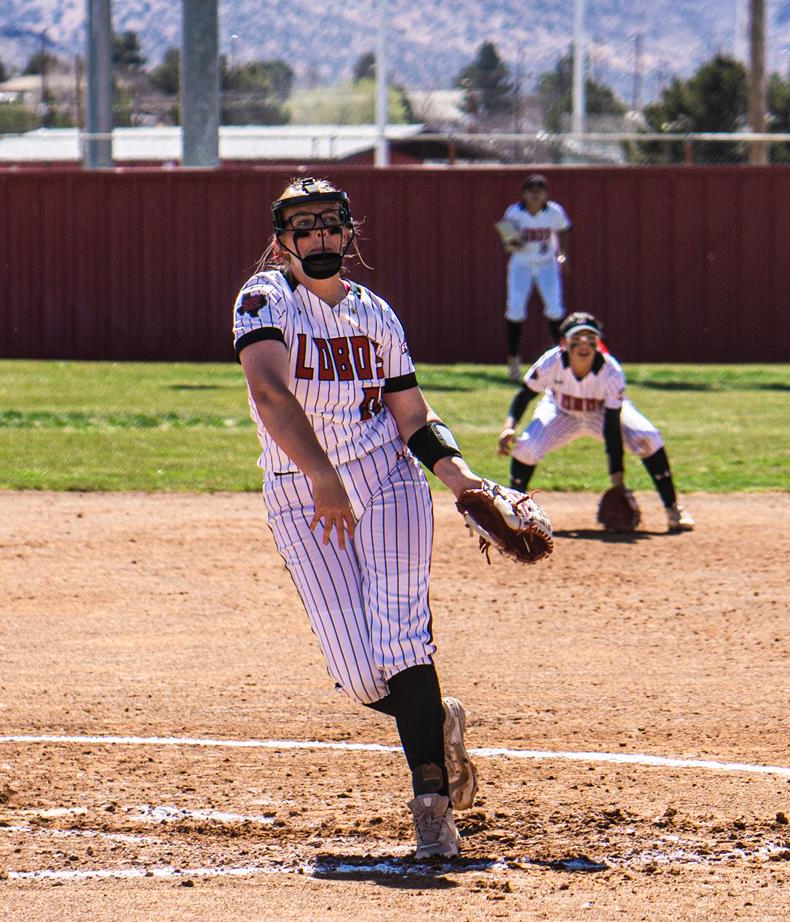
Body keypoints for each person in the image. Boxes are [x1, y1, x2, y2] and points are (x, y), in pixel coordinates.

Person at [233, 176, 488, 860]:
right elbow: (268, 389)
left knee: (404, 635)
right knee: (360, 675)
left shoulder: (375, 313)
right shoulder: (265, 299)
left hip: (385, 480)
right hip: (301, 489)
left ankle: (431, 806)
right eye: (303, 227)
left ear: (348, 233)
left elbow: (412, 413)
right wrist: (322, 475)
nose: (318, 238)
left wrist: (462, 482)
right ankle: (435, 720)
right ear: (282, 238)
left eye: (329, 225)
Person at [497, 311, 696, 534]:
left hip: (601, 414)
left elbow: (612, 427)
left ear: (597, 342)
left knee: (647, 436)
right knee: (526, 447)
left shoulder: (611, 371)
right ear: (564, 343)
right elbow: (525, 394)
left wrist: (617, 478)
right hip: (561, 412)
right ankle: (514, 511)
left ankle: (673, 509)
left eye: (590, 338)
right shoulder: (551, 361)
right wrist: (509, 427)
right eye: (577, 338)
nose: (584, 344)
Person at [498, 173, 570, 382]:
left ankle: (562, 358)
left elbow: (564, 229)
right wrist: (512, 242)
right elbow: (507, 238)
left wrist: (563, 253)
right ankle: (513, 360)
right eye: (532, 192)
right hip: (522, 264)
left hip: (547, 263)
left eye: (540, 192)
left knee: (555, 308)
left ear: (546, 194)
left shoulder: (553, 212)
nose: (536, 196)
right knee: (515, 309)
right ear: (525, 194)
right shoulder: (515, 212)